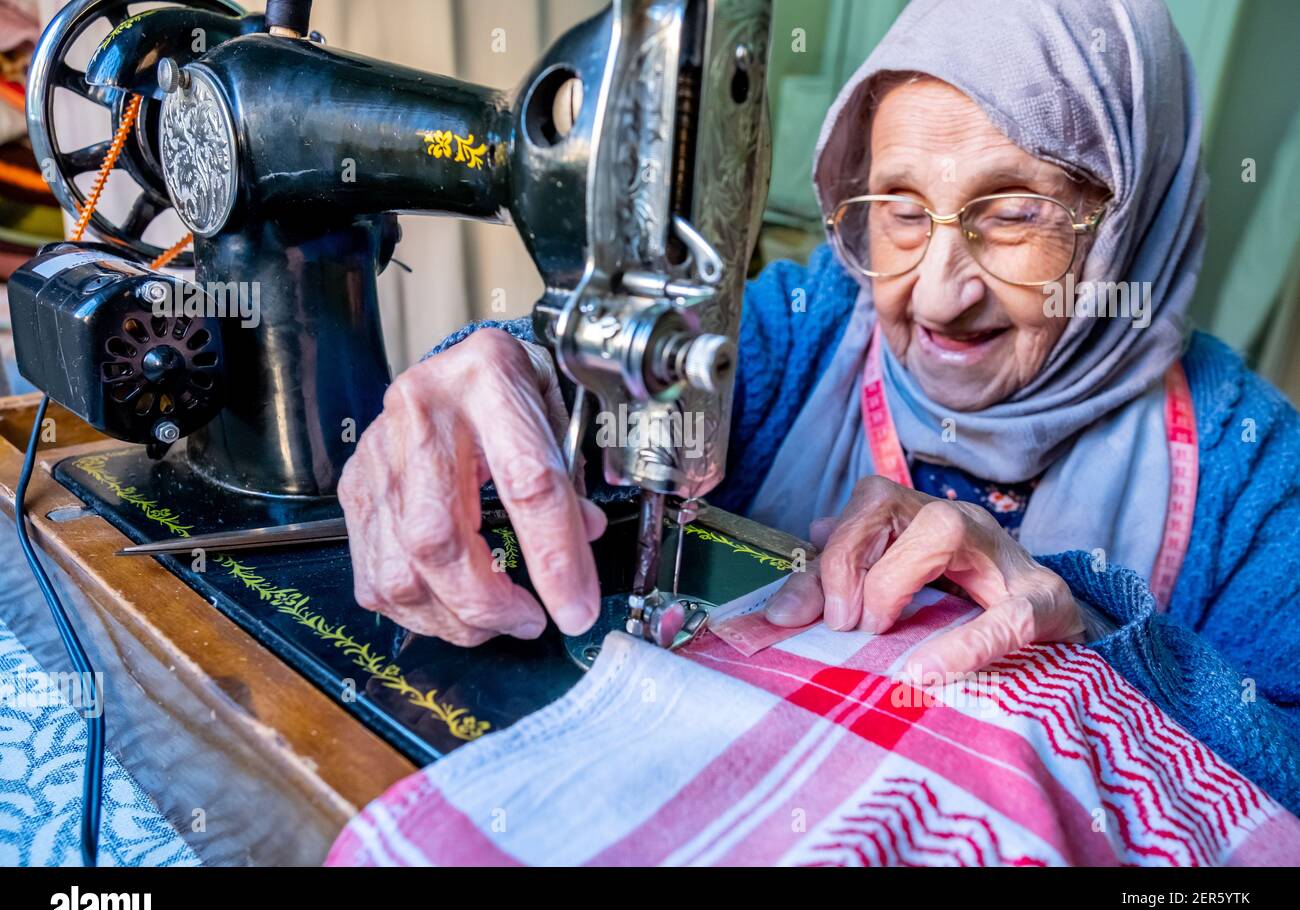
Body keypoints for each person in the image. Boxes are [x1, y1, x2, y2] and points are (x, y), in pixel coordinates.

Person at [337, 0, 1300, 812]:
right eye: (899, 209)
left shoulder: (1251, 467)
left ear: (1138, 218)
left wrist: (1097, 636)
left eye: (1014, 213)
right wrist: (496, 375)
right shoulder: (805, 327)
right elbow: (589, 386)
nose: (933, 294)